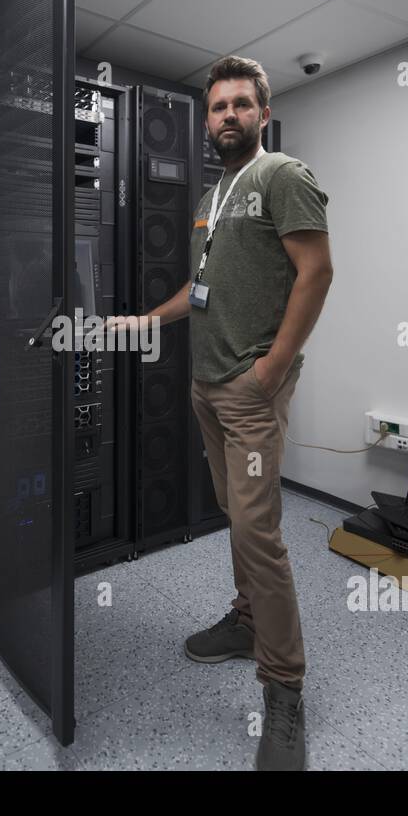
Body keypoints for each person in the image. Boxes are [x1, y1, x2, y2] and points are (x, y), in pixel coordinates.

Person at [108, 55, 333, 770]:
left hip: (248, 390)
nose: (228, 116)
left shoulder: (281, 176)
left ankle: (285, 690)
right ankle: (246, 623)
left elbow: (318, 271)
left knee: (259, 531)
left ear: (262, 113)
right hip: (207, 385)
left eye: (240, 104)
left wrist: (270, 370)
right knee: (237, 516)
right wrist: (145, 320)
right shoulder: (216, 193)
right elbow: (199, 287)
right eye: (217, 107)